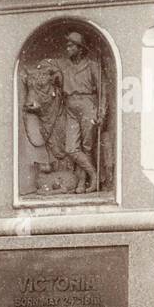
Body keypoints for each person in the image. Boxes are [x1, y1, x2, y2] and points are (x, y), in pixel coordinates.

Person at [59, 31, 107, 192]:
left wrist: (101, 112)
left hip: (87, 104)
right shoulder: (65, 67)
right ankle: (94, 175)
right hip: (71, 106)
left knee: (87, 147)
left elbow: (103, 91)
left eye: (71, 45)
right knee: (71, 148)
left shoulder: (93, 65)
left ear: (80, 48)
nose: (68, 48)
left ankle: (83, 183)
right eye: (67, 45)